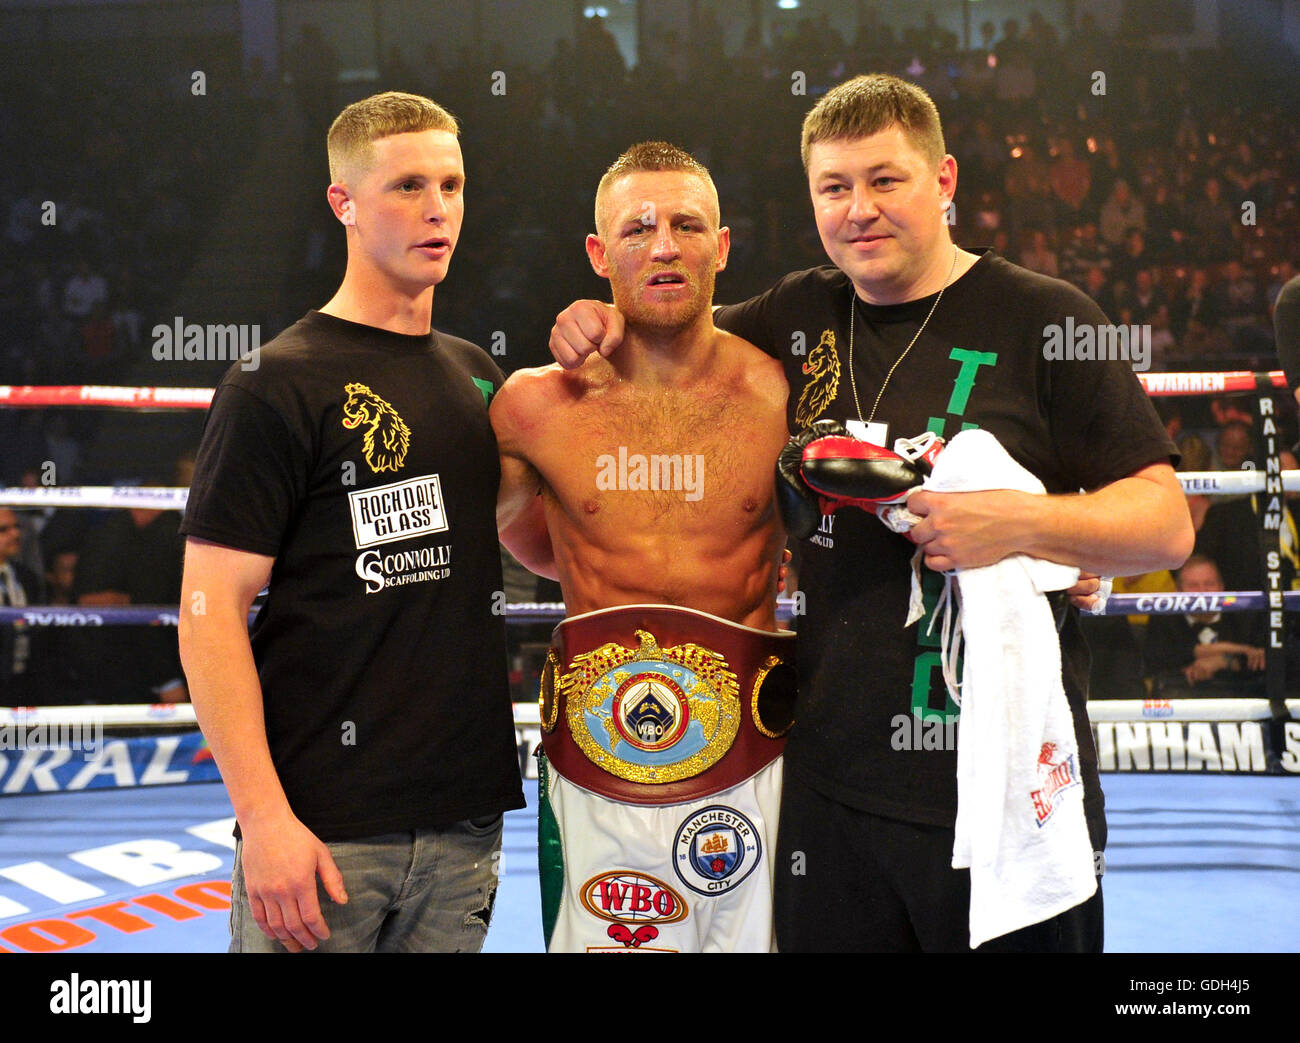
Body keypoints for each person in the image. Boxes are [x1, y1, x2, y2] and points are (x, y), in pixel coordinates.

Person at [549, 74, 1192, 952]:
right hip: (830, 796)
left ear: (945, 180)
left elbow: (1165, 524)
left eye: (885, 180)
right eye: (835, 187)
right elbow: (670, 330)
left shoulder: (1047, 318)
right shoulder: (797, 314)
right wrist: (596, 319)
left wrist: (1026, 524)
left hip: (1003, 792)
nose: (860, 209)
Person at [178, 92, 524, 954]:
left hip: (465, 821)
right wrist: (261, 817)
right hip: (322, 826)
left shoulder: (477, 375)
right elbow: (209, 610)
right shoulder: (275, 381)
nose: (438, 207)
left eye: (451, 184)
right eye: (408, 185)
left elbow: (538, 540)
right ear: (343, 202)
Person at [492, 142, 793, 952]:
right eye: (638, 229)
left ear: (722, 246)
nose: (664, 245)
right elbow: (511, 543)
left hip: (757, 764)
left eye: (687, 224)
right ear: (598, 253)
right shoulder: (532, 406)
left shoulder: (781, 395)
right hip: (596, 778)